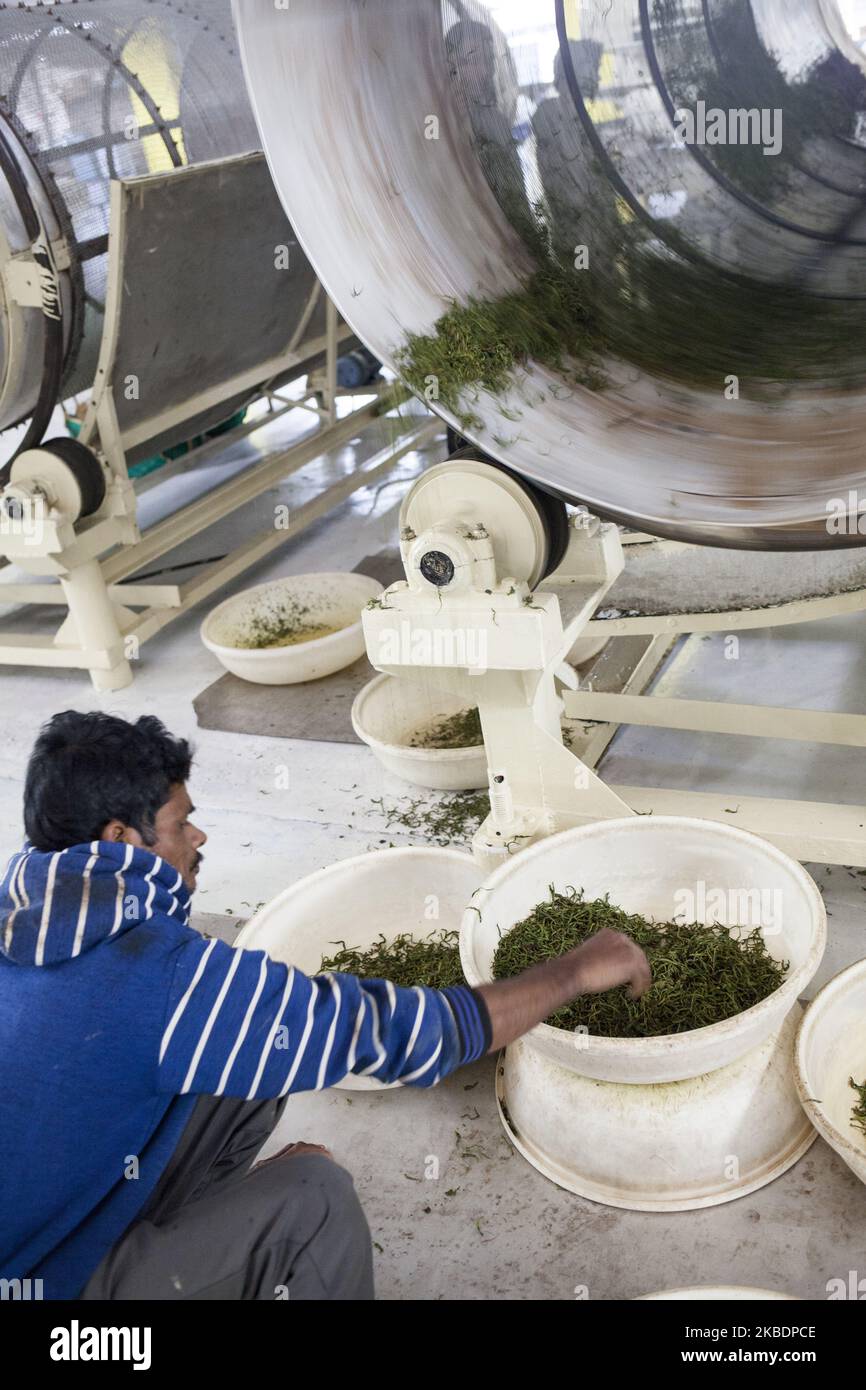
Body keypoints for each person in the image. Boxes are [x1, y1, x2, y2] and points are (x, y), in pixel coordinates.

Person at [0, 711, 651, 1301]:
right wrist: (571, 973)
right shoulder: (155, 976)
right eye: (178, 824)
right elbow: (396, 1033)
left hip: (42, 1221)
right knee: (312, 1204)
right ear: (120, 839)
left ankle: (201, 1248)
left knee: (240, 1076)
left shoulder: (31, 916)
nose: (198, 835)